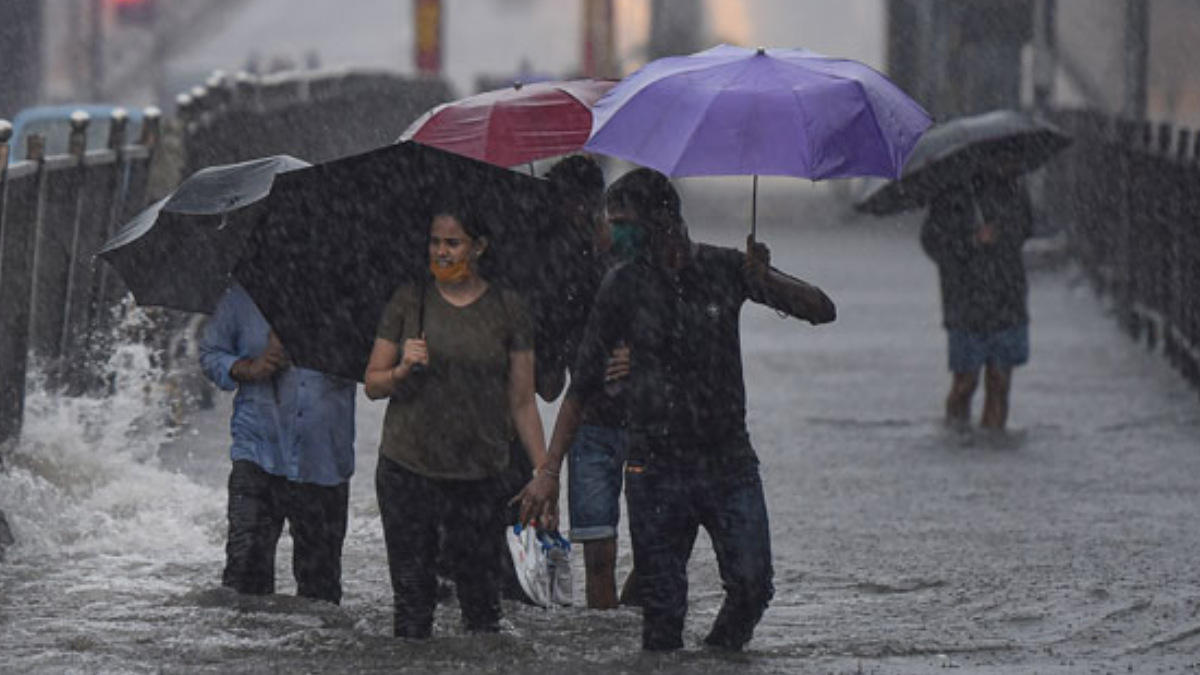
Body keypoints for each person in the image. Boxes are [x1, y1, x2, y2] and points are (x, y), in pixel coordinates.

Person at [515, 168, 837, 651]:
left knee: (752, 587)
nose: (615, 231)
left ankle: (717, 659)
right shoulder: (622, 284)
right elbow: (579, 388)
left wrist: (765, 276)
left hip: (728, 462)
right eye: (611, 220)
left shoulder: (724, 269)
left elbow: (821, 308)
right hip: (654, 468)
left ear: (663, 219)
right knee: (662, 611)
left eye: (623, 221)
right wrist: (549, 470)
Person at [364, 206, 549, 638]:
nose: (441, 253)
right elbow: (372, 383)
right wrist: (401, 370)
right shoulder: (410, 299)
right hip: (408, 470)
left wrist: (545, 471)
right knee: (412, 609)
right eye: (435, 242)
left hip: (481, 475)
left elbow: (522, 401)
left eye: (453, 243)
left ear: (479, 247)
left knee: (484, 613)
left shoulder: (508, 308)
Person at [198, 283, 356, 604]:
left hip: (322, 459)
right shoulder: (241, 296)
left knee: (319, 592)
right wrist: (250, 367)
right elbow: (211, 353)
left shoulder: (349, 297)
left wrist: (324, 346)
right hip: (257, 450)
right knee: (243, 580)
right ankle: (245, 653)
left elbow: (378, 366)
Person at [538, 154, 637, 610]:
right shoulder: (559, 271)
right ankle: (608, 643)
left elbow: (673, 325)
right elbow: (551, 385)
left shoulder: (636, 260)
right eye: (566, 212)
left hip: (646, 424)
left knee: (658, 552)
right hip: (590, 425)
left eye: (583, 210)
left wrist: (636, 351)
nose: (576, 220)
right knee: (599, 558)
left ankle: (635, 634)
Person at [920, 173, 1033, 431]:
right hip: (964, 300)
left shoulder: (1012, 185)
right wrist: (970, 241)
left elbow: (1026, 227)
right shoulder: (948, 193)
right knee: (965, 382)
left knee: (1000, 380)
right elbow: (932, 241)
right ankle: (957, 434)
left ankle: (993, 446)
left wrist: (1001, 233)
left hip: (1007, 296)